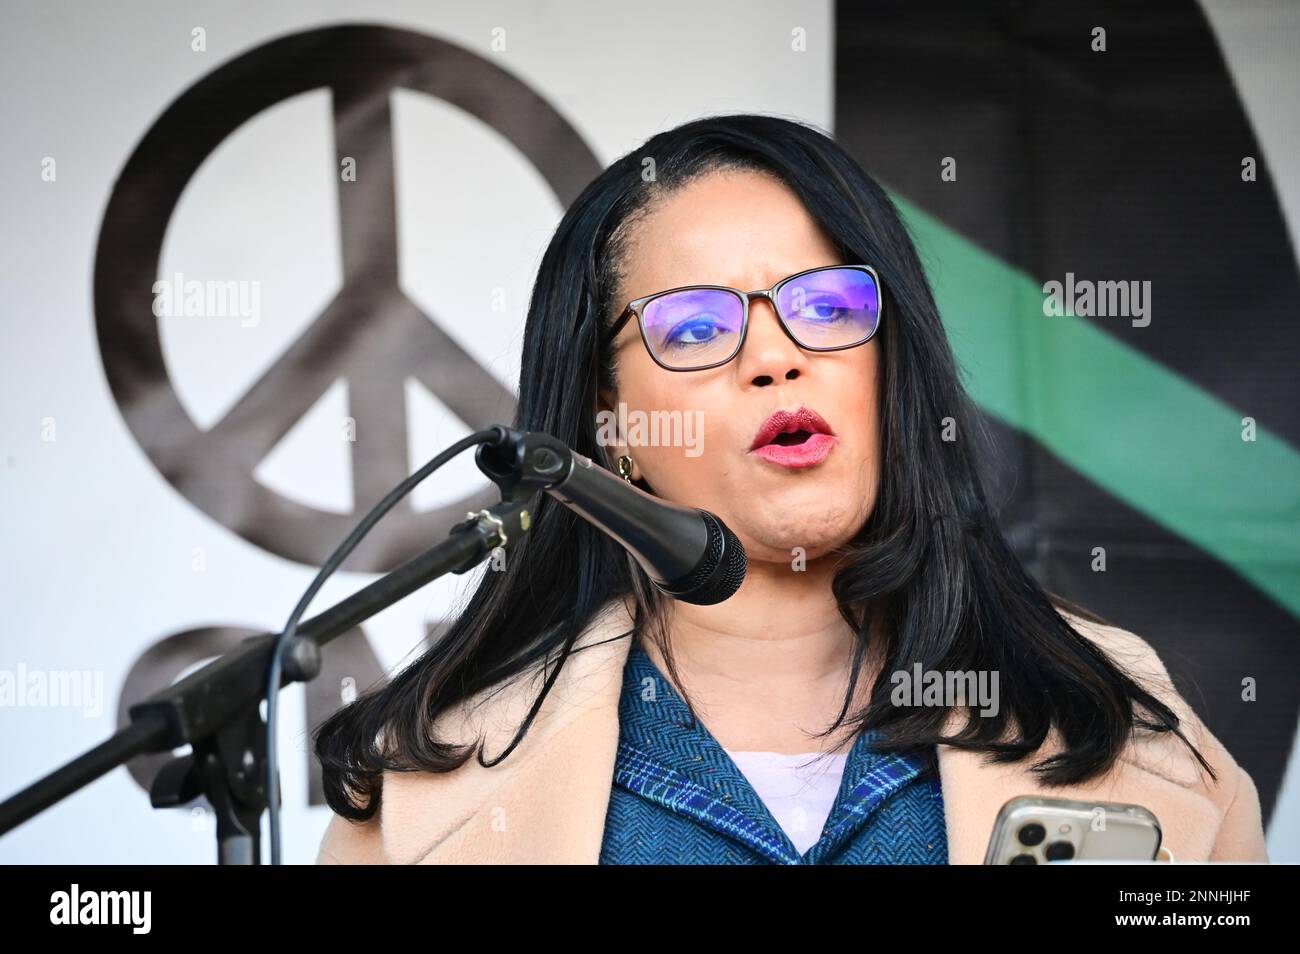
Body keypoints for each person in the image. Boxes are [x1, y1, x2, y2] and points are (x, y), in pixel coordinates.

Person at [312, 113, 1268, 864]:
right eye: (692, 329)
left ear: (893, 366)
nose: (775, 358)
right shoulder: (431, 783)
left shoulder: (1124, 724)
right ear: (611, 425)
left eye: (828, 306)